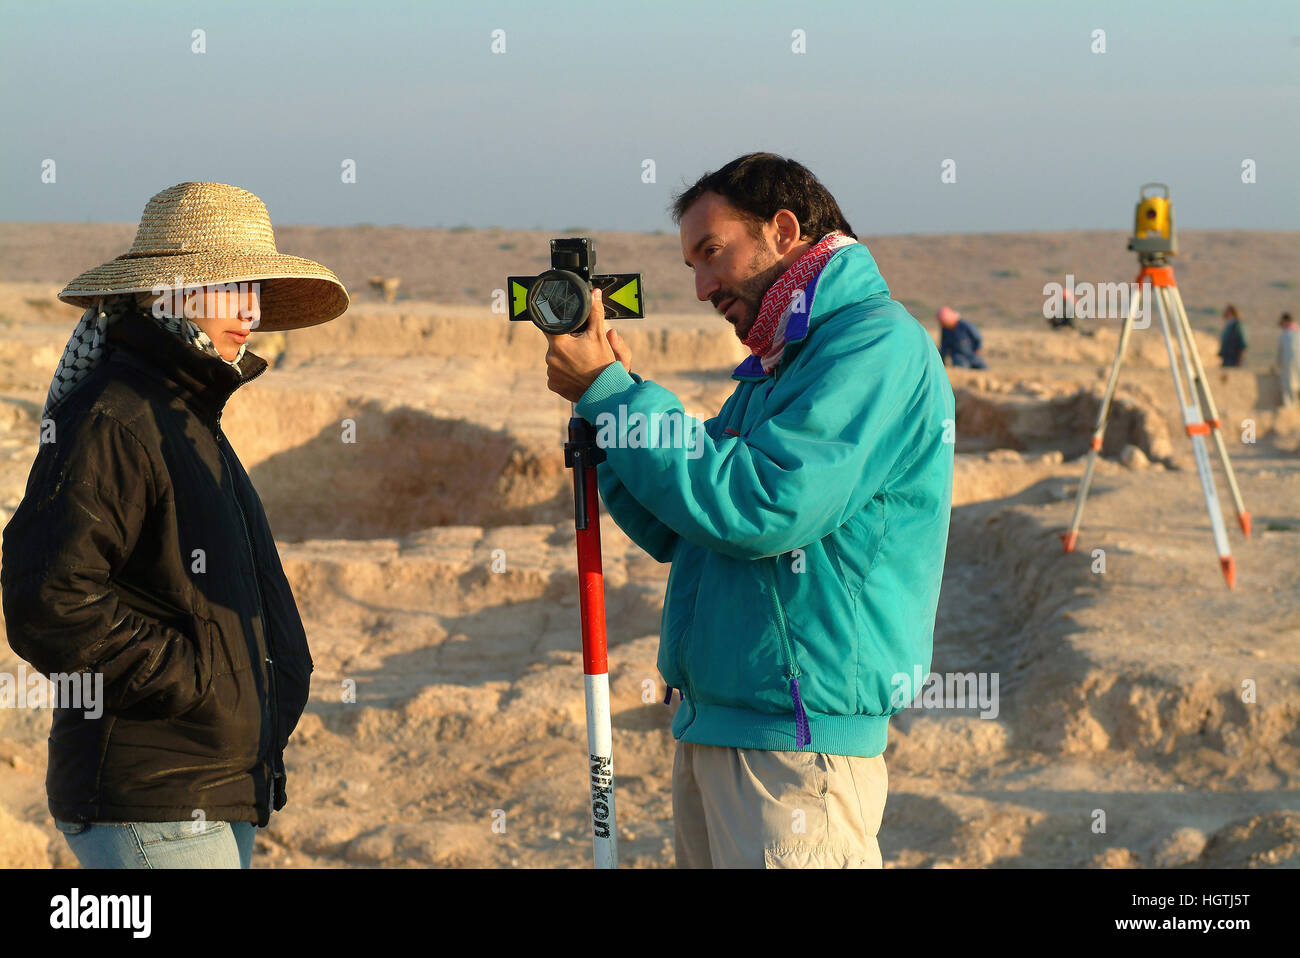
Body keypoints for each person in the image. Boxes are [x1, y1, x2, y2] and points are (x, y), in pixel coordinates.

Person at [543, 152, 954, 868]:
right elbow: (684, 525)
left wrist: (617, 399)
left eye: (712, 254)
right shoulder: (780, 363)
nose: (702, 287)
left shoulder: (873, 345)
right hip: (721, 726)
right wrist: (609, 411)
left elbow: (762, 505)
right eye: (691, 267)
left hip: (796, 745)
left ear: (784, 230)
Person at [1, 182, 349, 868]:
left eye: (254, 288)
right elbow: (49, 599)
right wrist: (194, 682)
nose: (250, 312)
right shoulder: (117, 415)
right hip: (150, 797)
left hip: (211, 788)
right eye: (229, 286)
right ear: (168, 293)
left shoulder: (184, 416)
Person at [1279, 312, 1299, 407]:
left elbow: (1281, 352)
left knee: (1289, 385)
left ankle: (1289, 407)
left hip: (1289, 364)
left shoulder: (1285, 335)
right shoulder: (1298, 332)